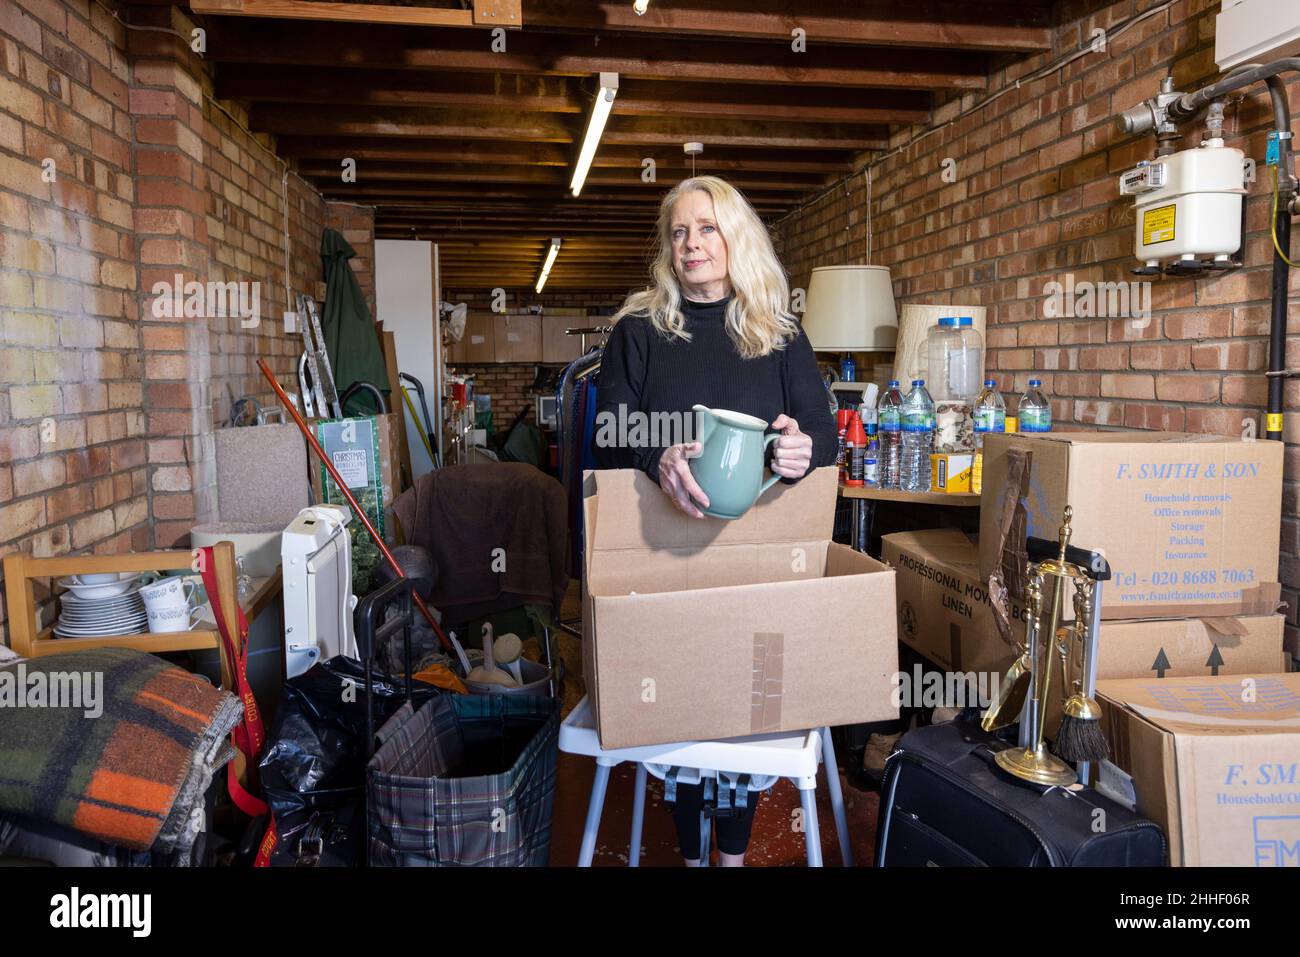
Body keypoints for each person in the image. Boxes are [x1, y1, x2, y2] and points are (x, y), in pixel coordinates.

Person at [594, 175, 837, 865]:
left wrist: (801, 449)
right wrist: (656, 453)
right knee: (684, 712)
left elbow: (822, 433)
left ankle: (731, 856)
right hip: (665, 557)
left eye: (706, 228)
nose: (691, 243)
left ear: (736, 237)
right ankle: (697, 854)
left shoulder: (779, 332)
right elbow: (608, 428)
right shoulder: (639, 331)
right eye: (679, 231)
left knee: (743, 717)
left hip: (754, 562)